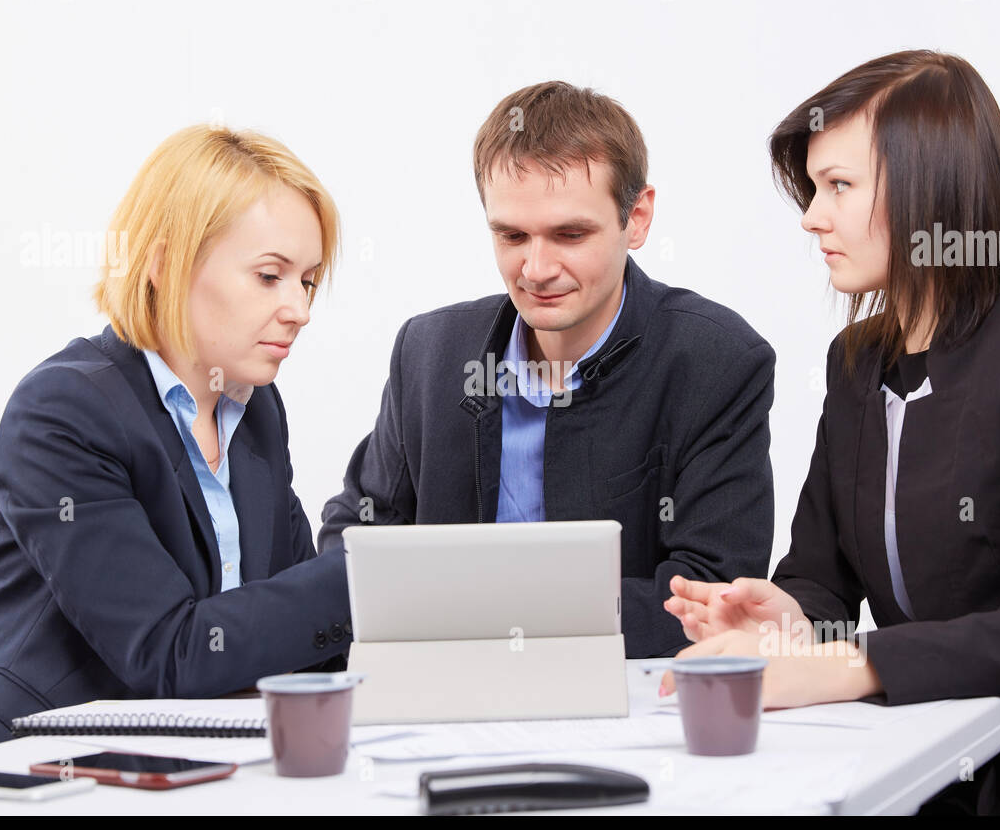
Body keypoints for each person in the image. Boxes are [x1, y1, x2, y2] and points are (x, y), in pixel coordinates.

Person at [662, 50, 1000, 814]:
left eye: (838, 186)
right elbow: (823, 580)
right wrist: (790, 621)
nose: (811, 217)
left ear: (932, 187)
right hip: (937, 760)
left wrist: (840, 666)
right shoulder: (855, 362)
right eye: (813, 188)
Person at [0, 125, 353, 768]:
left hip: (173, 768)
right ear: (164, 264)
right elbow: (170, 652)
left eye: (306, 281)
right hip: (15, 769)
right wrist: (370, 572)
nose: (300, 309)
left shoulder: (255, 408)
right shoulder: (62, 412)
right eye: (270, 276)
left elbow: (293, 616)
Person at [318, 81, 776, 658]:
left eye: (569, 234)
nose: (535, 269)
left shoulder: (718, 360)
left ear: (637, 218)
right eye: (511, 235)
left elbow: (714, 596)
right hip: (444, 700)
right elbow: (354, 539)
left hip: (630, 706)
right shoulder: (429, 351)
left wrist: (474, 614)